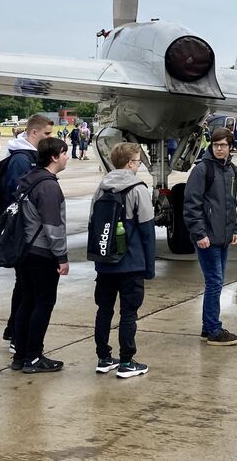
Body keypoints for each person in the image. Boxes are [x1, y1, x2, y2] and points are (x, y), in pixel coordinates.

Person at [92, 142, 156, 378]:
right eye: (138, 161)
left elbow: (93, 224)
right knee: (128, 313)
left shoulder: (102, 187)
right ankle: (127, 361)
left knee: (104, 310)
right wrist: (149, 267)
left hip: (105, 262)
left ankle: (103, 357)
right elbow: (147, 231)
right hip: (131, 263)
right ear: (130, 163)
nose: (138, 165)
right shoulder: (137, 188)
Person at [9, 137, 70, 374]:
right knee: (43, 304)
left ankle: (21, 354)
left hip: (24, 250)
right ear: (54, 157)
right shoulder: (49, 186)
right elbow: (53, 227)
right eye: (64, 153)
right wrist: (62, 257)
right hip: (42, 253)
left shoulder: (30, 179)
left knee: (27, 301)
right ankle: (34, 356)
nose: (67, 157)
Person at [1, 115, 56, 348]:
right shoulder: (21, 160)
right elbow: (17, 198)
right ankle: (16, 335)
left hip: (27, 235)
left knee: (24, 288)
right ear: (33, 133)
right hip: (25, 236)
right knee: (24, 289)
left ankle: (14, 331)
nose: (49, 138)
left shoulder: (28, 157)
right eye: (46, 134)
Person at [184, 126, 237, 346]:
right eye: (216, 145)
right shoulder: (202, 169)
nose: (219, 148)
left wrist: (234, 228)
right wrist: (199, 233)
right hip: (207, 238)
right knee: (215, 282)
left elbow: (231, 202)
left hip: (223, 236)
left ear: (230, 147)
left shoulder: (232, 169)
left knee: (215, 282)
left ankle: (208, 326)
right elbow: (192, 203)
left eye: (223, 145)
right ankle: (214, 330)